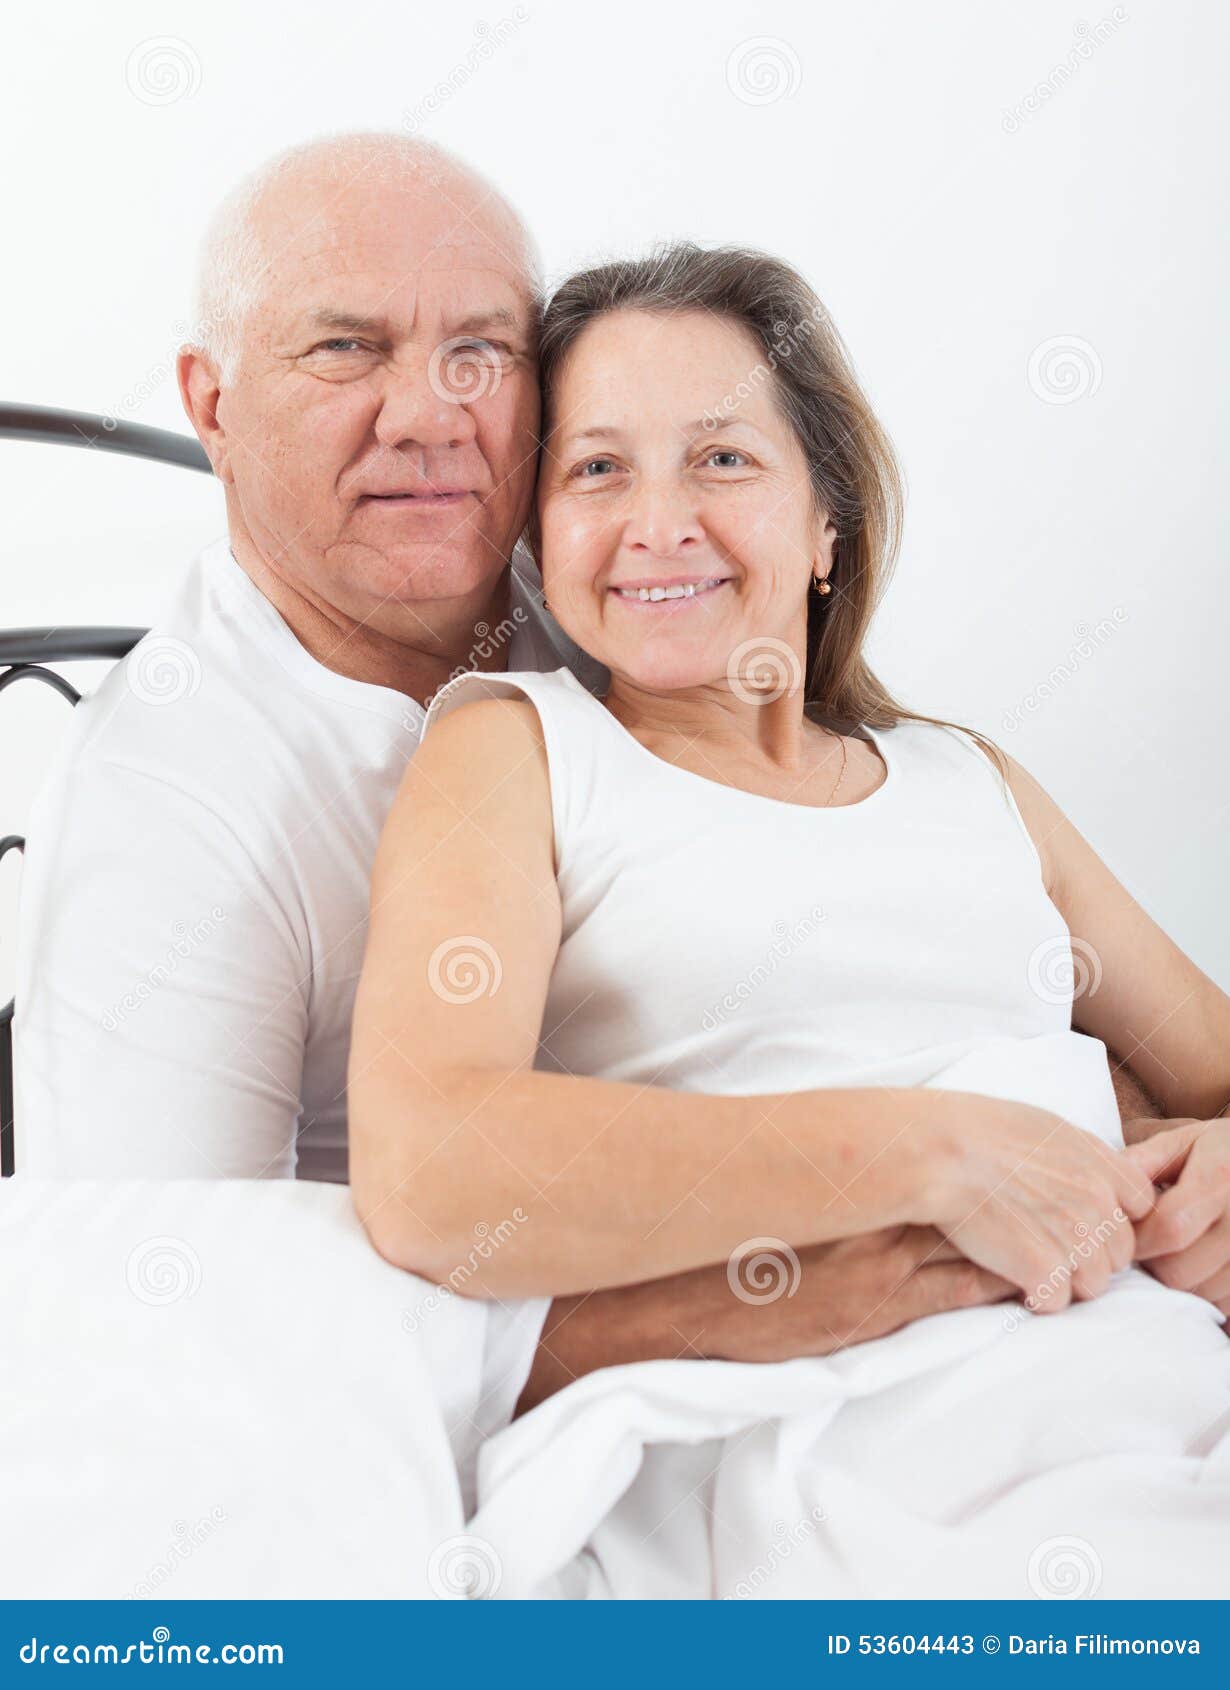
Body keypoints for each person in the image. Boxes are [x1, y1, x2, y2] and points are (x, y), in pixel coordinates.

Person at [13, 135, 1082, 1437]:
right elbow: (158, 1318)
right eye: (344, 349)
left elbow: (882, 933)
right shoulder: (170, 812)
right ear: (214, 404)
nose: (427, 415)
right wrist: (714, 1314)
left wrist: (1102, 1129)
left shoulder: (613, 591)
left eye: (482, 350)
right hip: (458, 1417)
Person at [349, 242, 1230, 1377]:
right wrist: (928, 1154)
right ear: (540, 537)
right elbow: (433, 1166)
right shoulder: (518, 750)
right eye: (597, 471)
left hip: (1146, 1369)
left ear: (827, 525)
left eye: (720, 458)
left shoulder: (970, 782)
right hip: (828, 1426)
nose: (658, 524)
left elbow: (1212, 1067)